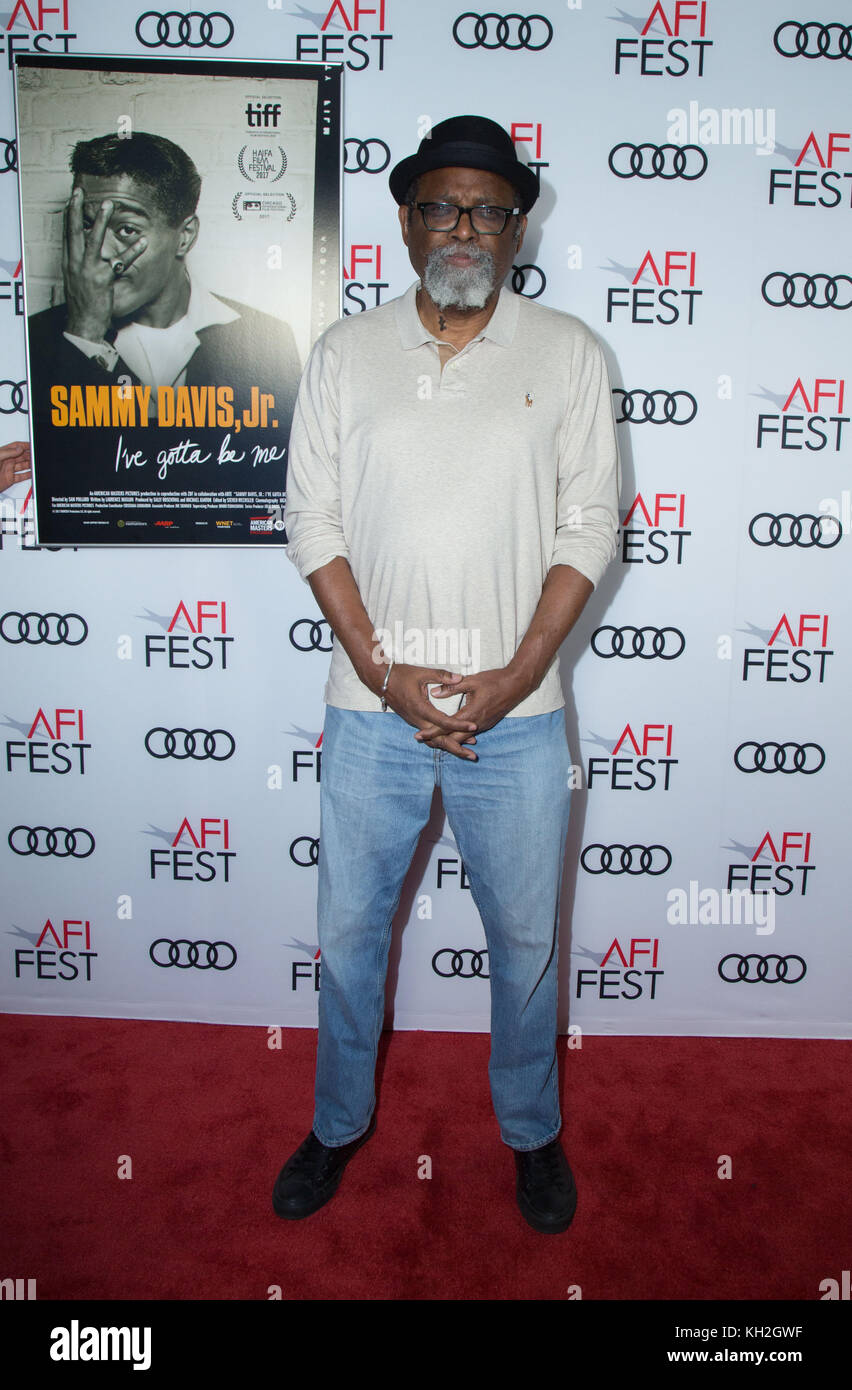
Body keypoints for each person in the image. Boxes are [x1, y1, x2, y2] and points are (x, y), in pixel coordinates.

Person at [276, 115, 620, 1234]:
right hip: (369, 711)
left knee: (525, 943)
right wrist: (385, 675)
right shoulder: (345, 353)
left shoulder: (569, 353)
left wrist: (517, 676)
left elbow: (588, 529)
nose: (463, 227)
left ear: (518, 229)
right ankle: (337, 1124)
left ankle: (531, 1130)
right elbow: (313, 522)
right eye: (441, 206)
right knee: (347, 939)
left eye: (486, 210)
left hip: (518, 718)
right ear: (407, 220)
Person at [26, 132, 300, 426]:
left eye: (126, 230)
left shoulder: (268, 341)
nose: (100, 251)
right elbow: (58, 452)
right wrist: (86, 335)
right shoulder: (36, 341)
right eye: (86, 225)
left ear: (184, 237)